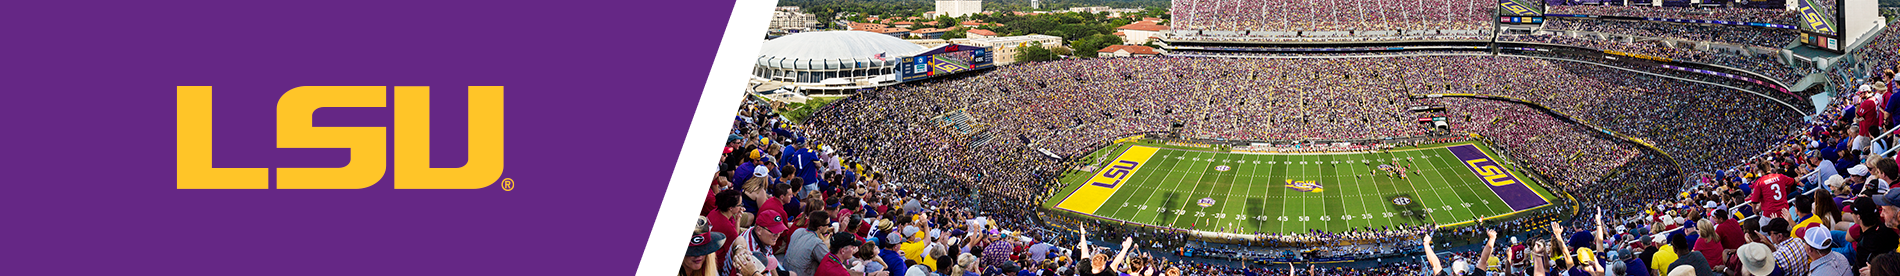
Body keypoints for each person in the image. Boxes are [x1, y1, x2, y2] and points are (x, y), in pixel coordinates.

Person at [786, 211, 835, 276]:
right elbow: (831, 263)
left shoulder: (798, 231)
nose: (829, 226)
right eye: (828, 224)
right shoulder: (817, 243)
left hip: (786, 270)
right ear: (820, 227)